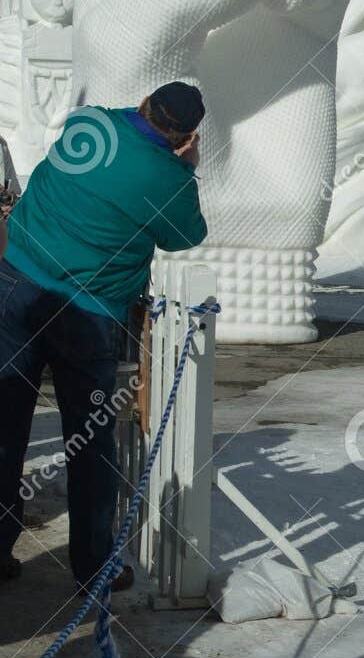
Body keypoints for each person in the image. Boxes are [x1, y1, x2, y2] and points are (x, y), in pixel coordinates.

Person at [0, 83, 208, 594]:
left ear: (142, 105)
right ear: (187, 136)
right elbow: (185, 236)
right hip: (88, 316)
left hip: (17, 289)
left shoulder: (88, 125)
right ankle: (93, 565)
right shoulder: (168, 179)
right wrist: (184, 167)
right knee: (89, 440)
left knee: (4, 428)